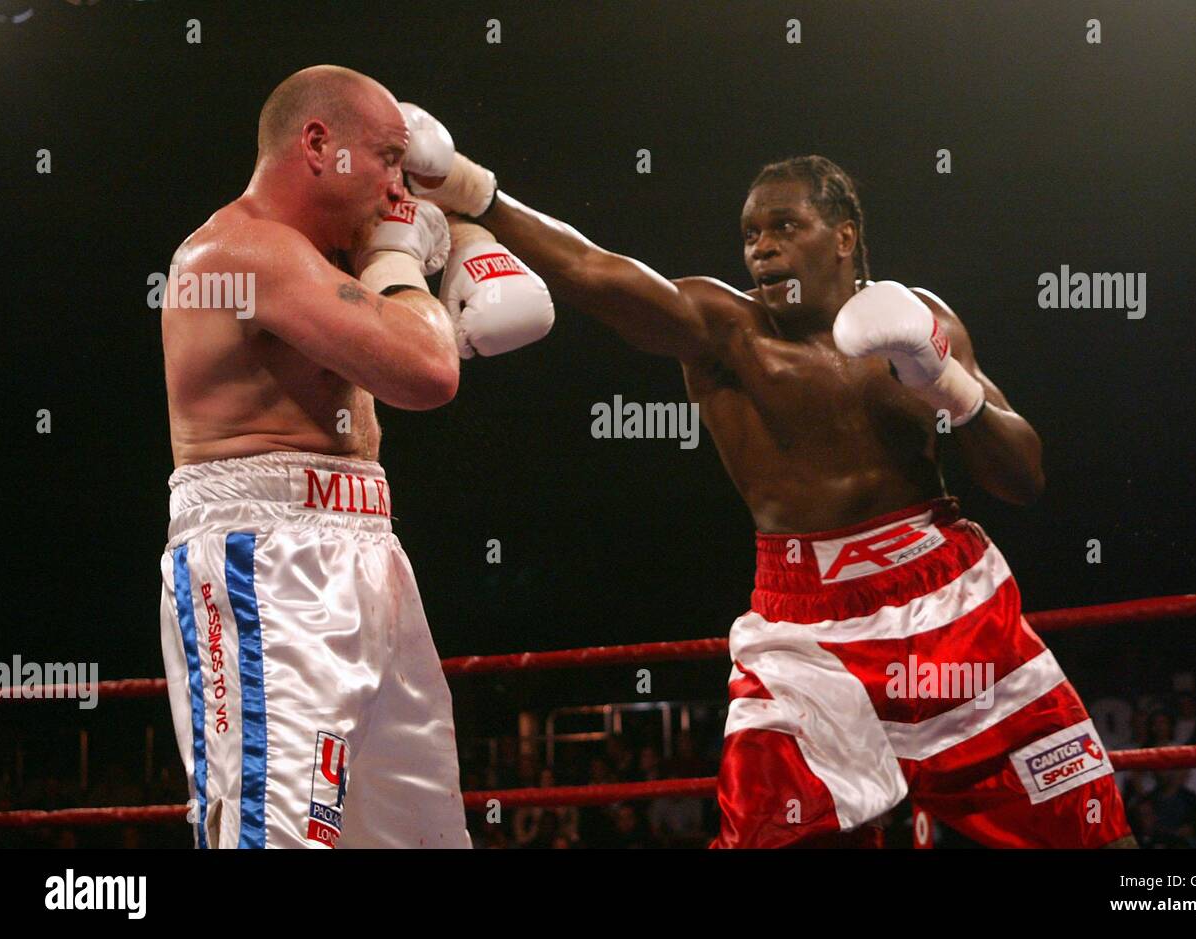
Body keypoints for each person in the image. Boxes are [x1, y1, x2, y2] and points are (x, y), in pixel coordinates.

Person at [405, 112, 1132, 847]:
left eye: (786, 226)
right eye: (752, 234)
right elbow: (597, 272)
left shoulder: (923, 319)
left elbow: (1023, 475)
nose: (763, 248)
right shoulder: (726, 331)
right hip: (806, 635)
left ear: (844, 236)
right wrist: (475, 191)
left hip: (958, 610)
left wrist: (943, 378)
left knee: (1100, 843)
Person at [158, 66, 553, 848]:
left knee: (421, 837)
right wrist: (405, 255)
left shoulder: (324, 265)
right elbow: (430, 369)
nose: (399, 190)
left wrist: (470, 215)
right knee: (276, 837)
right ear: (317, 144)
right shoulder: (238, 255)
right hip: (267, 563)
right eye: (387, 161)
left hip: (366, 553)